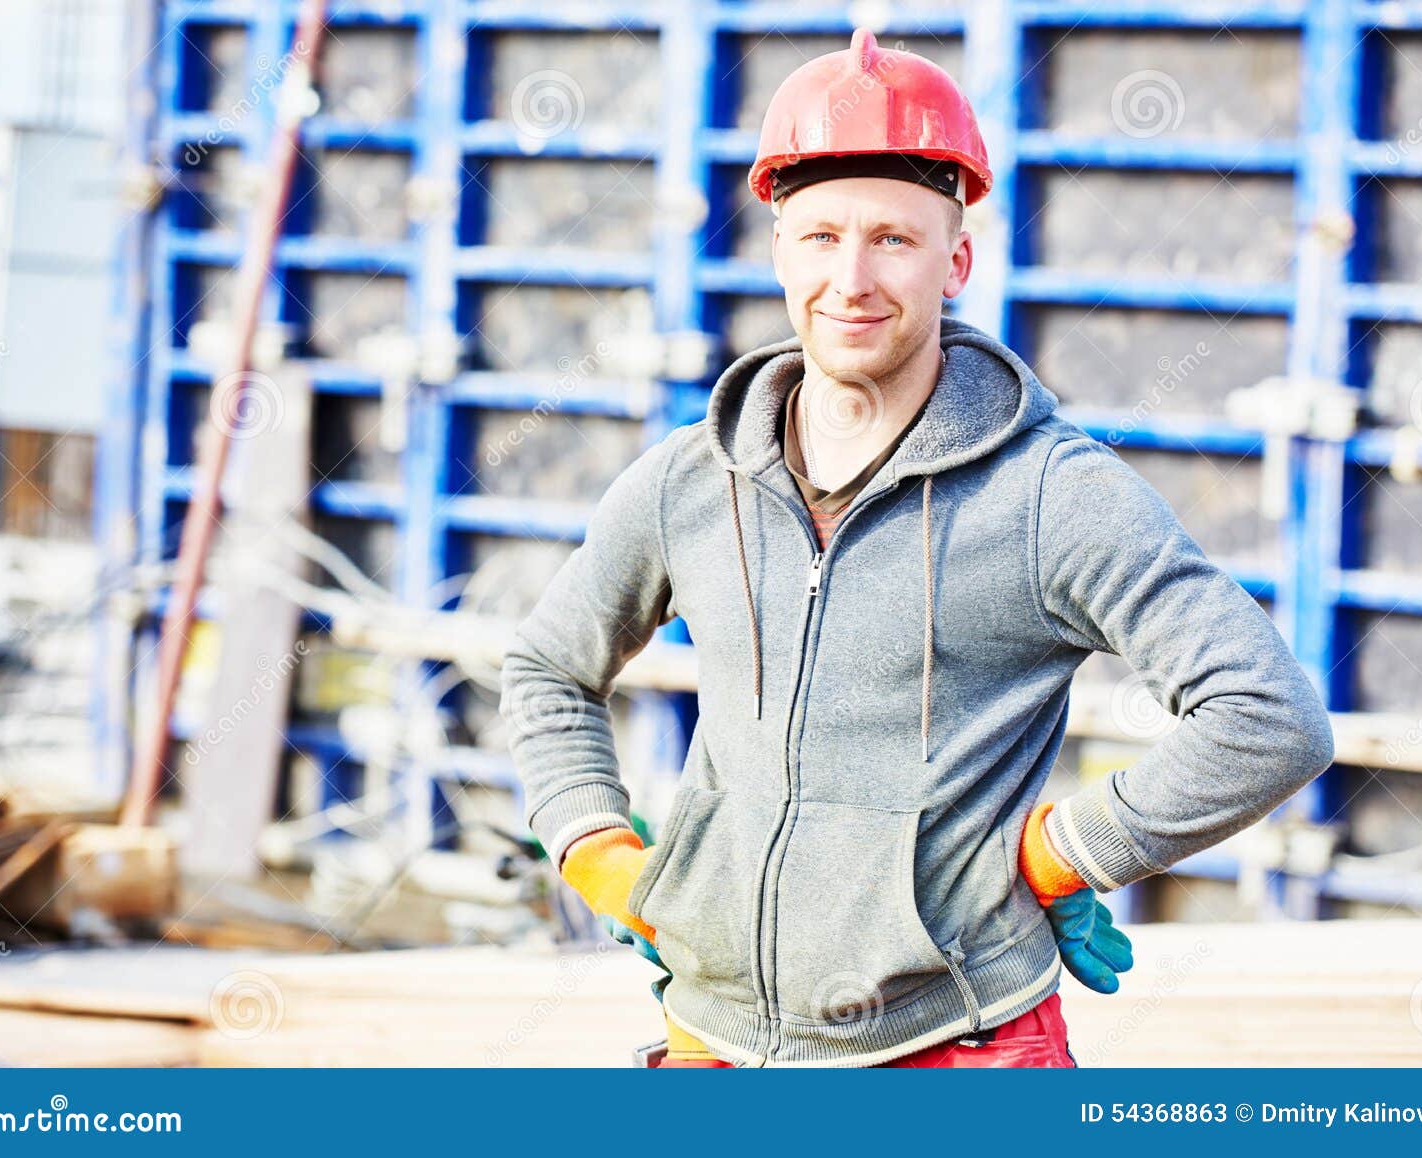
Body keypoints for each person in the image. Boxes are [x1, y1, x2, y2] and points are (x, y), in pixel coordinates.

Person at [500, 29, 1334, 1069]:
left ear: (958, 260)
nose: (850, 278)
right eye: (820, 237)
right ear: (778, 251)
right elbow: (546, 667)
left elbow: (1269, 719)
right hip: (715, 1036)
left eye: (893, 239)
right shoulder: (691, 479)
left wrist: (1064, 850)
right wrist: (592, 844)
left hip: (954, 1048)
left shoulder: (1050, 495)